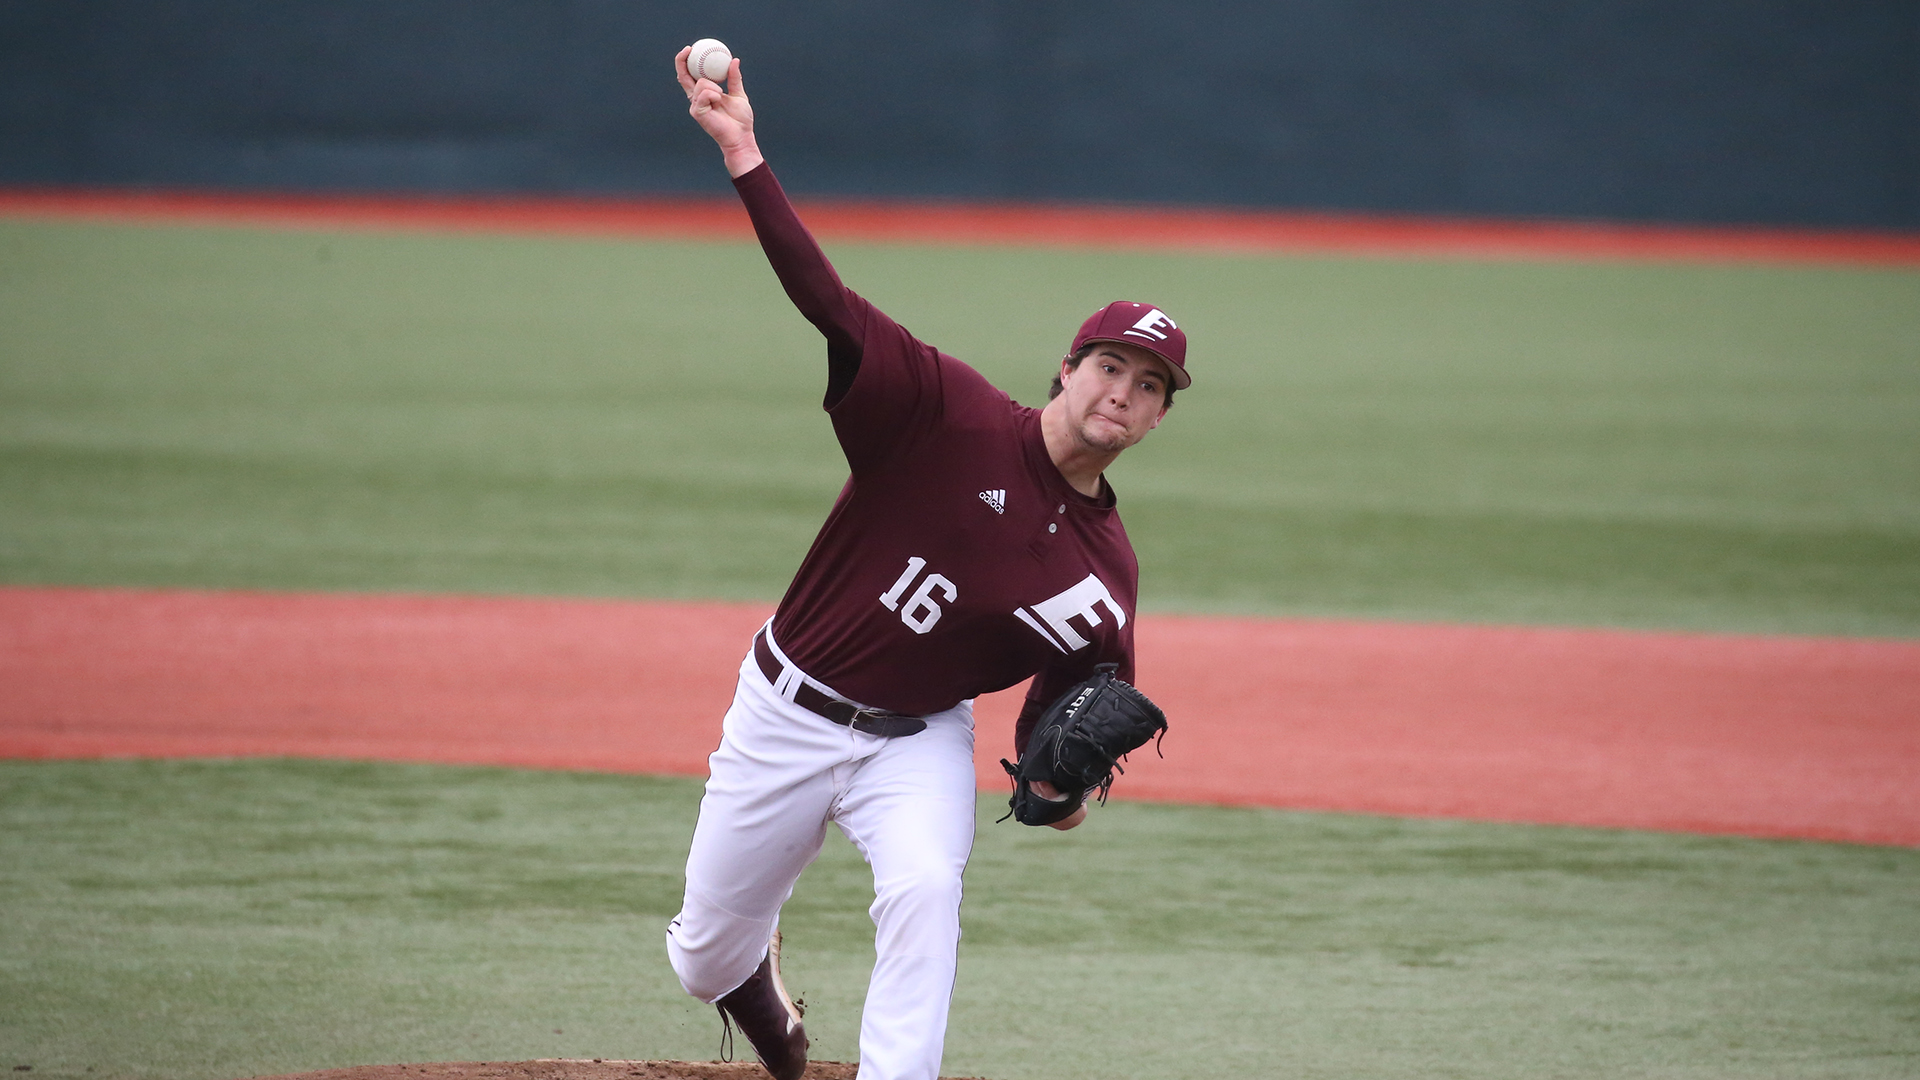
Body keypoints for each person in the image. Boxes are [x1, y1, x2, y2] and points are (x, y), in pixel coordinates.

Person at [665, 45, 1190, 1080]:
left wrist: (1058, 792)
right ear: (1068, 370)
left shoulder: (1103, 575)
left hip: (917, 746)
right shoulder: (943, 411)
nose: (1123, 391)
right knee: (703, 956)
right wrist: (745, 154)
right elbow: (827, 300)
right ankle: (765, 1008)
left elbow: (1079, 706)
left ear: (1160, 417)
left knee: (923, 892)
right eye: (1110, 365)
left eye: (1150, 385)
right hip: (783, 709)